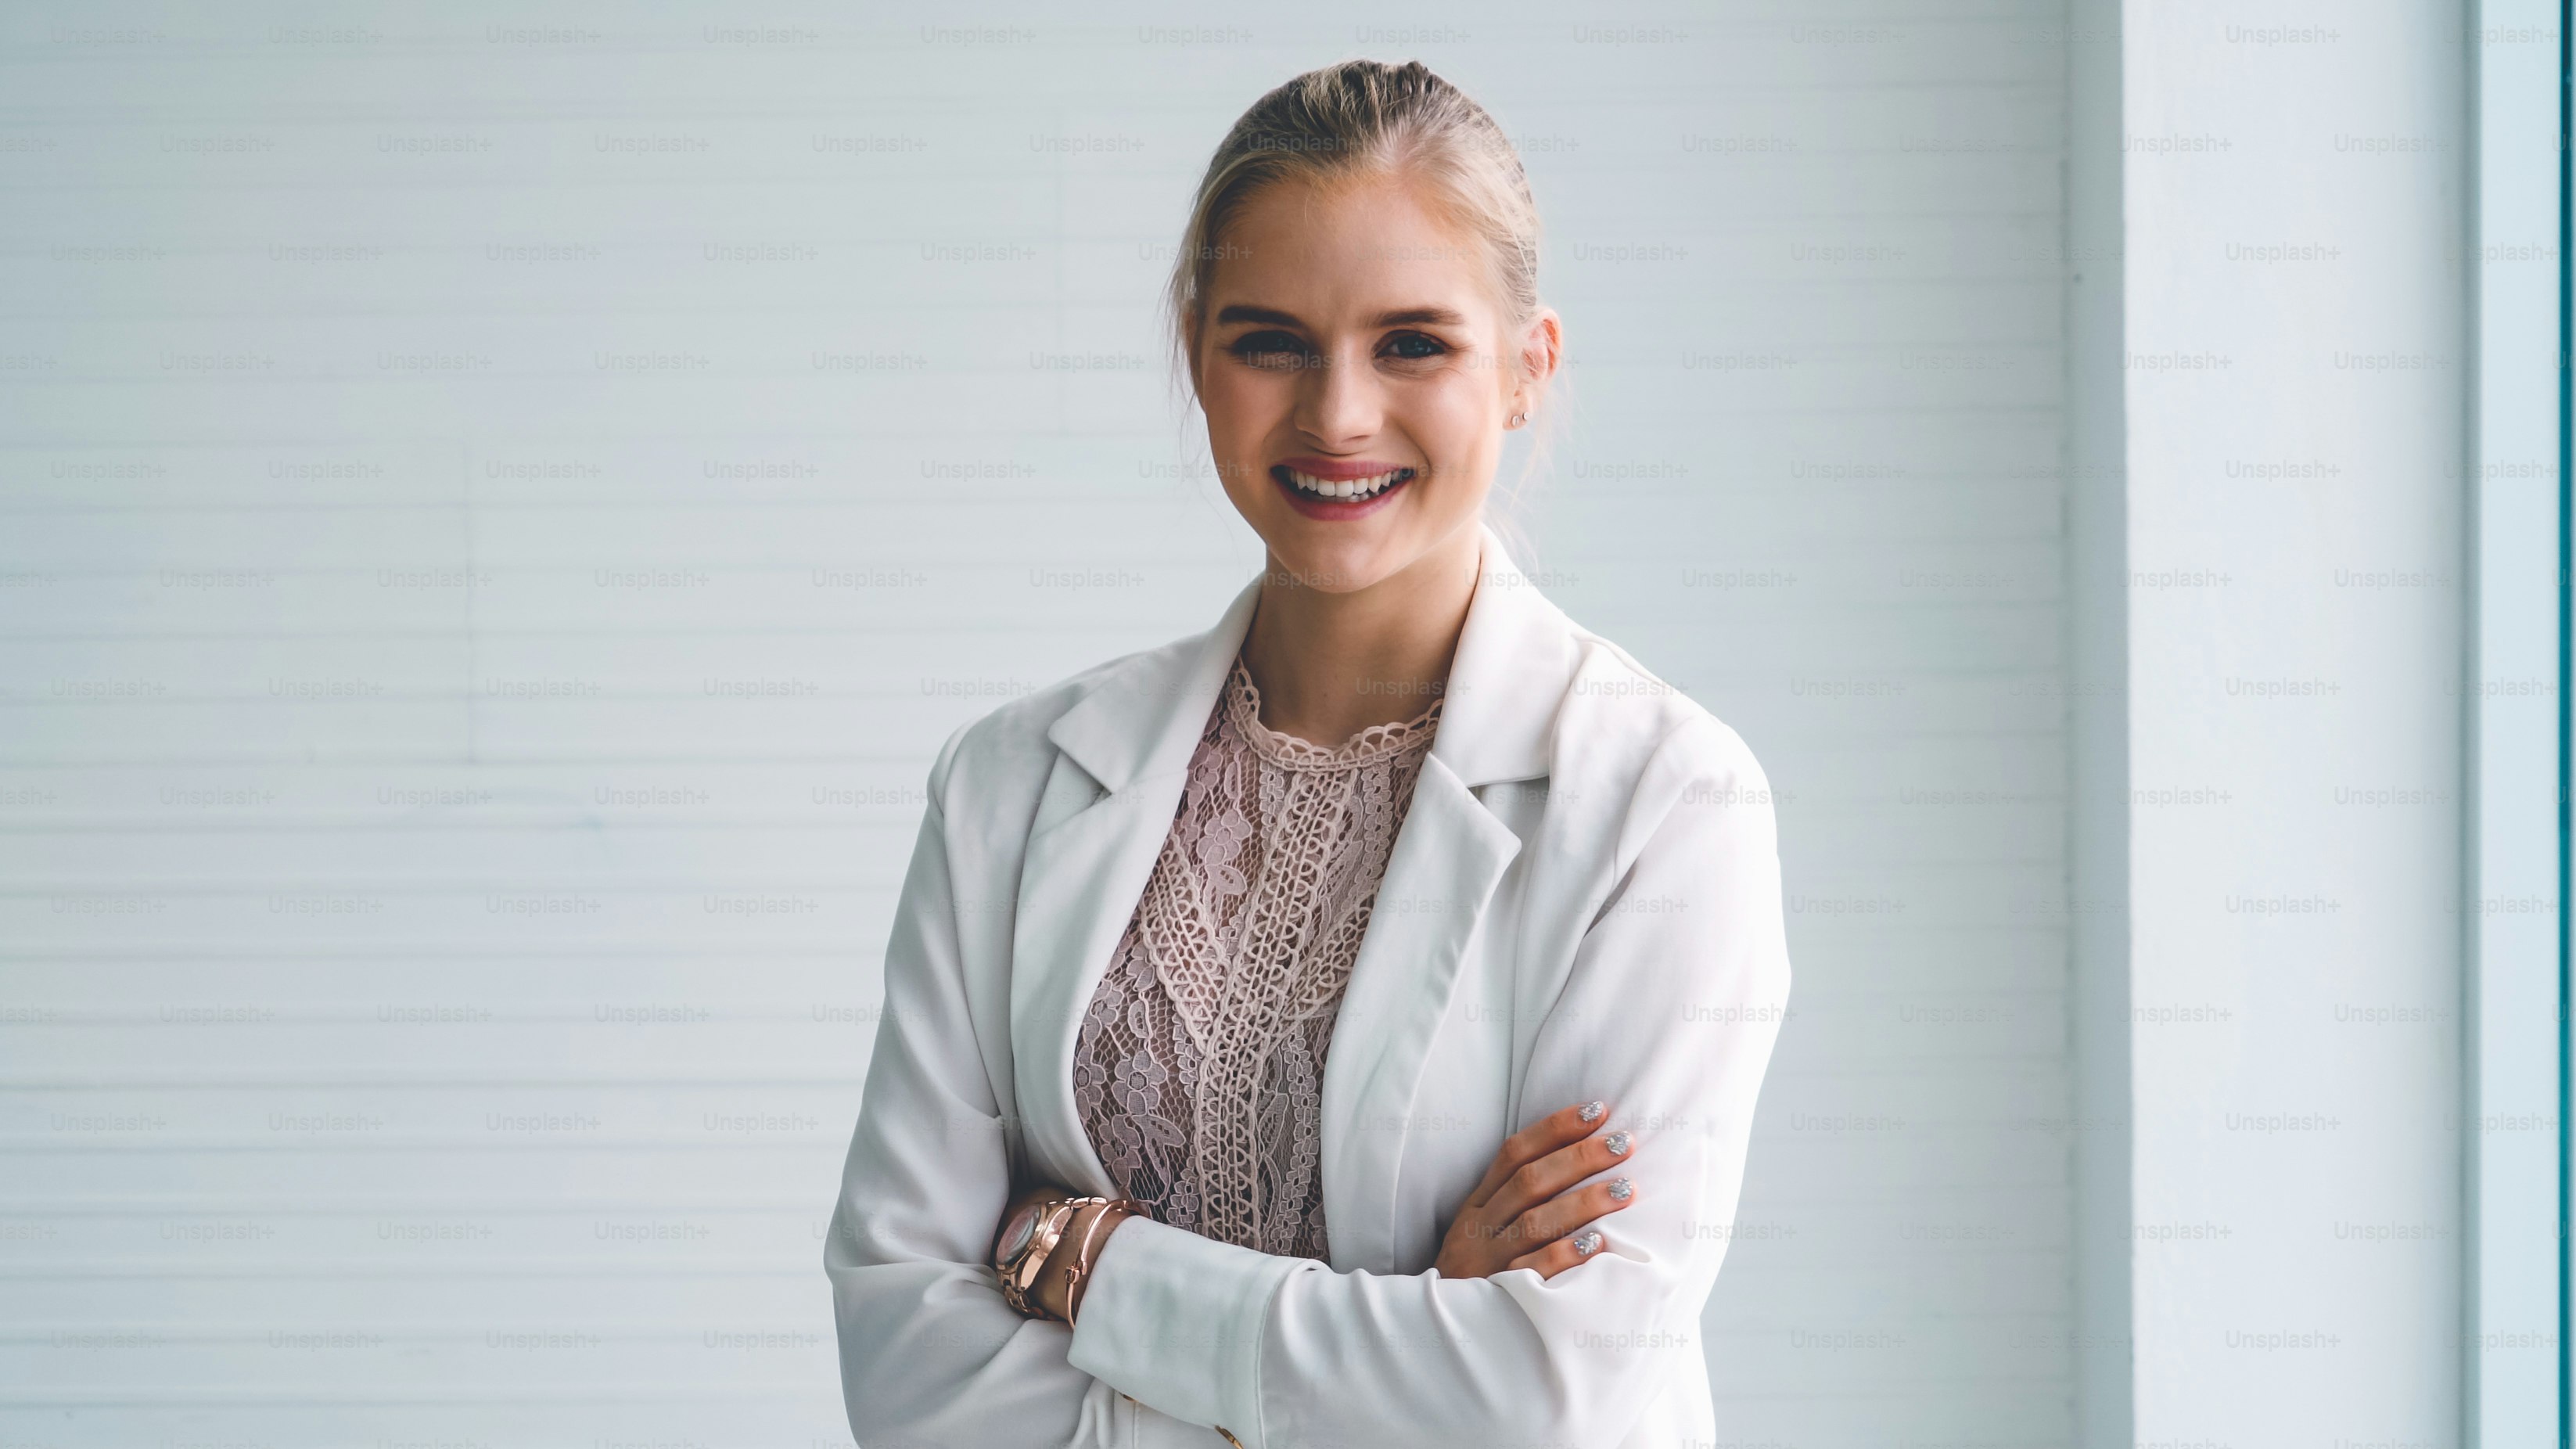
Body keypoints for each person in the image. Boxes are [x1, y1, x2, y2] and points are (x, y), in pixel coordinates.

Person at [826, 58, 1791, 1449]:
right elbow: (909, 1374)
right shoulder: (1007, 785)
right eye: (1270, 341)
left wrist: (1095, 1268)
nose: (1337, 414)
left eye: (1413, 344)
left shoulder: (1665, 804)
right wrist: (1405, 1344)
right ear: (1195, 353)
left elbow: (1554, 1391)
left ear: (1527, 367)